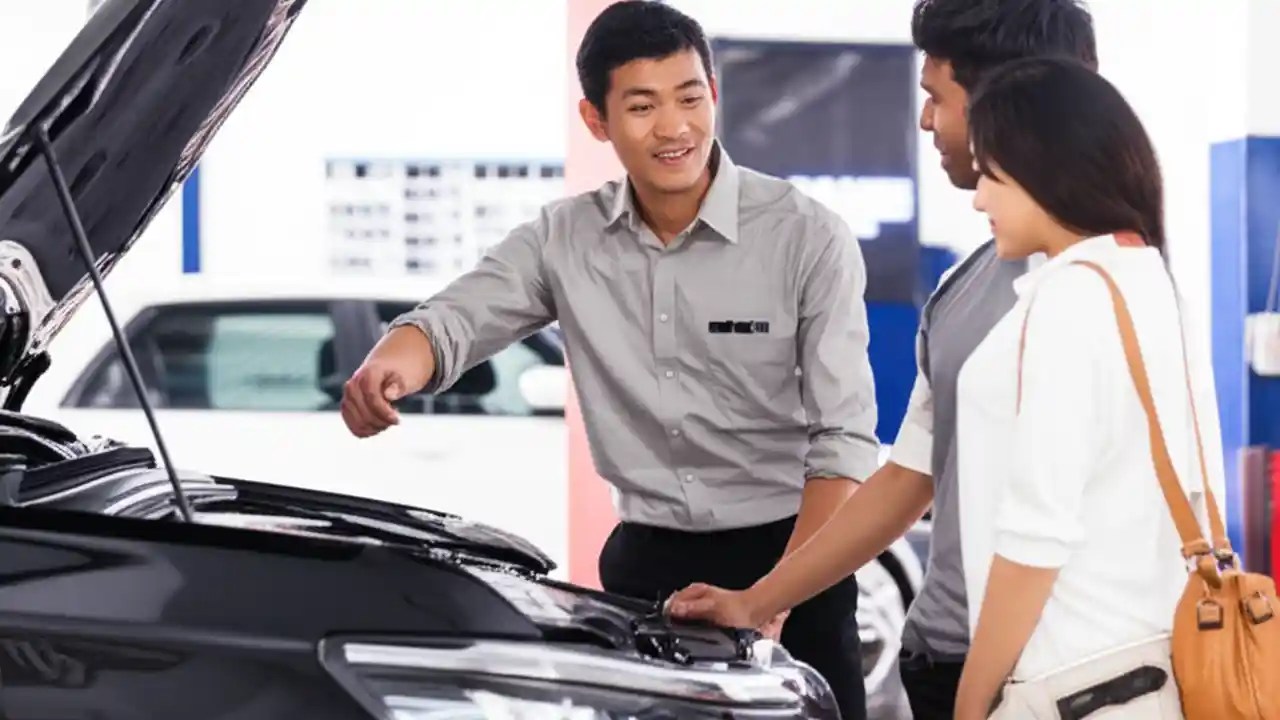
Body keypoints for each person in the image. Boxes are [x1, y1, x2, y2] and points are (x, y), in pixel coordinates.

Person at [339, 2, 879, 717]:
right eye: (643, 105)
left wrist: (772, 597)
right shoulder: (564, 238)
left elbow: (842, 444)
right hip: (646, 572)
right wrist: (388, 368)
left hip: (794, 556)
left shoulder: (806, 236)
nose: (674, 127)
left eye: (690, 97)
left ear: (714, 95)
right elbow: (454, 320)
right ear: (597, 120)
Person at [664, 1, 1098, 717]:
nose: (925, 121)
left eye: (937, 97)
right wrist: (758, 601)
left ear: (1005, 102)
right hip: (945, 657)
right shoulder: (966, 284)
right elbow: (907, 476)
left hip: (1046, 681)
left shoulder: (1106, 282)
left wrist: (986, 695)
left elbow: (1060, 532)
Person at [949, 57, 1227, 719]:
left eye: (991, 174)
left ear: (1048, 169)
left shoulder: (1071, 300)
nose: (979, 197)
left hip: (1072, 686)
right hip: (1151, 676)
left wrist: (970, 698)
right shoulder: (1148, 280)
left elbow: (1034, 540)